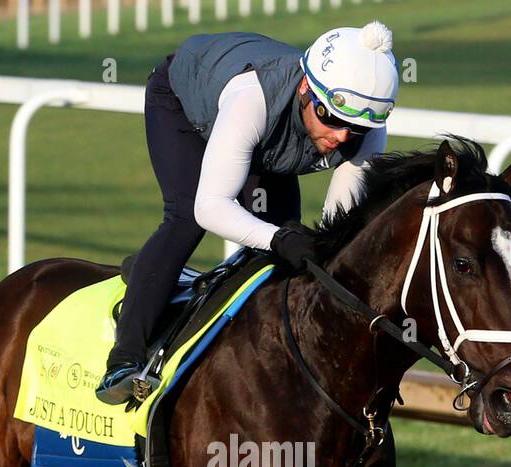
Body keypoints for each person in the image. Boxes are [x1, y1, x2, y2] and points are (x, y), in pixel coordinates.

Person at [95, 21, 400, 406]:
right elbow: (211, 207)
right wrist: (279, 238)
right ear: (306, 88)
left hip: (266, 140)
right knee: (186, 218)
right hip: (187, 106)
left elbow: (337, 226)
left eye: (355, 128)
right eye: (333, 119)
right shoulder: (251, 99)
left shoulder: (366, 131)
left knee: (288, 254)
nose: (341, 138)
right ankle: (124, 359)